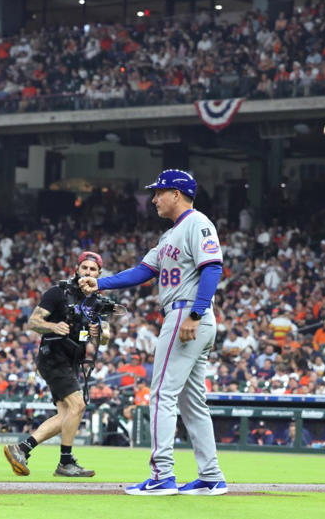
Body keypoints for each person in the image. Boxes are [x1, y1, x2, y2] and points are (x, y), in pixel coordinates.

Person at [80, 169, 227, 496]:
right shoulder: (168, 236)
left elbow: (213, 267)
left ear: (177, 194)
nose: (154, 198)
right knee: (192, 403)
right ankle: (211, 476)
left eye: (160, 192)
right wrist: (100, 283)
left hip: (187, 315)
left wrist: (195, 312)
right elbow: (142, 272)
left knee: (161, 394)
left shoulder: (197, 222)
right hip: (187, 316)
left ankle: (162, 475)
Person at [3, 251, 112, 478]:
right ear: (77, 269)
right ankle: (65, 462)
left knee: (67, 415)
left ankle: (22, 449)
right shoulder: (57, 293)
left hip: (72, 361)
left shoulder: (97, 301)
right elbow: (33, 321)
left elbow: (104, 339)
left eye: (93, 270)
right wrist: (53, 327)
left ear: (99, 274)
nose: (88, 273)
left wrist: (98, 333)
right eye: (85, 268)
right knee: (78, 405)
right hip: (52, 356)